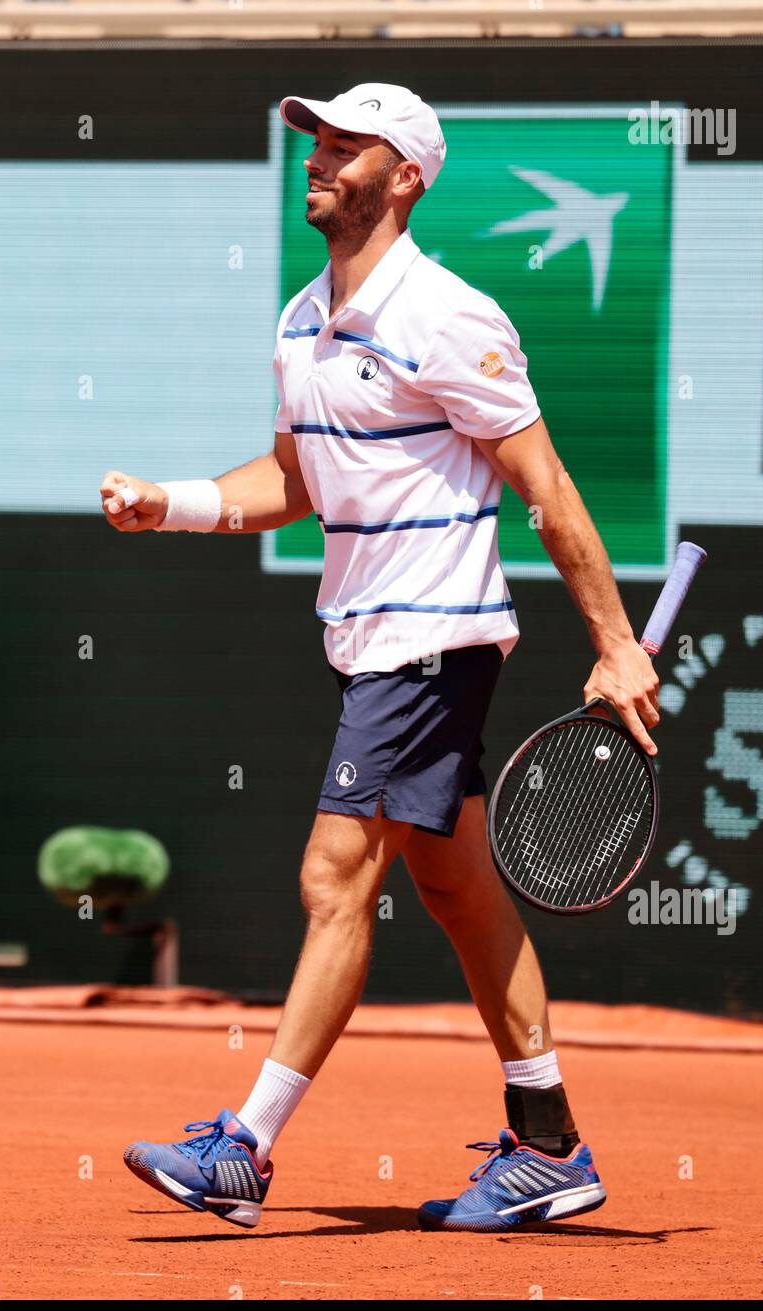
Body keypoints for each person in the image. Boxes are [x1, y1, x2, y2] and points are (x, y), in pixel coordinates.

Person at [103, 83, 659, 1234]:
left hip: (432, 638)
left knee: (332, 873)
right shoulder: (301, 320)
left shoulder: (451, 317)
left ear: (406, 176)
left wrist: (616, 643)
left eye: (349, 146)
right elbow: (292, 487)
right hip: (366, 644)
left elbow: (545, 492)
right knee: (456, 887)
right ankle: (548, 1143)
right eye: (317, 140)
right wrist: (171, 504)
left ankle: (244, 1150)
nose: (321, 158)